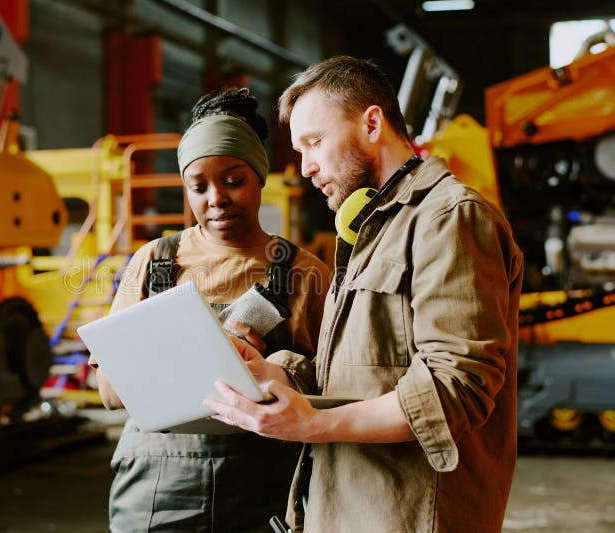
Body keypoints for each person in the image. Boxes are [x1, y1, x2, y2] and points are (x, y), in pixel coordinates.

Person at [204, 56, 524, 533]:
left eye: (314, 142)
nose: (306, 167)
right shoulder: (369, 231)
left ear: (372, 123)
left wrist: (309, 423)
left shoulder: (447, 218)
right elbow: (362, 374)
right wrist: (272, 373)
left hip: (409, 517)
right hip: (347, 509)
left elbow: (455, 389)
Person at [90, 87, 331, 532]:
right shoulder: (154, 262)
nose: (216, 198)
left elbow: (333, 384)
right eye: (198, 187)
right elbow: (108, 392)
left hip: (264, 490)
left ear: (260, 176)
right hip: (155, 492)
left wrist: (275, 367)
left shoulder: (305, 274)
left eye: (233, 180)